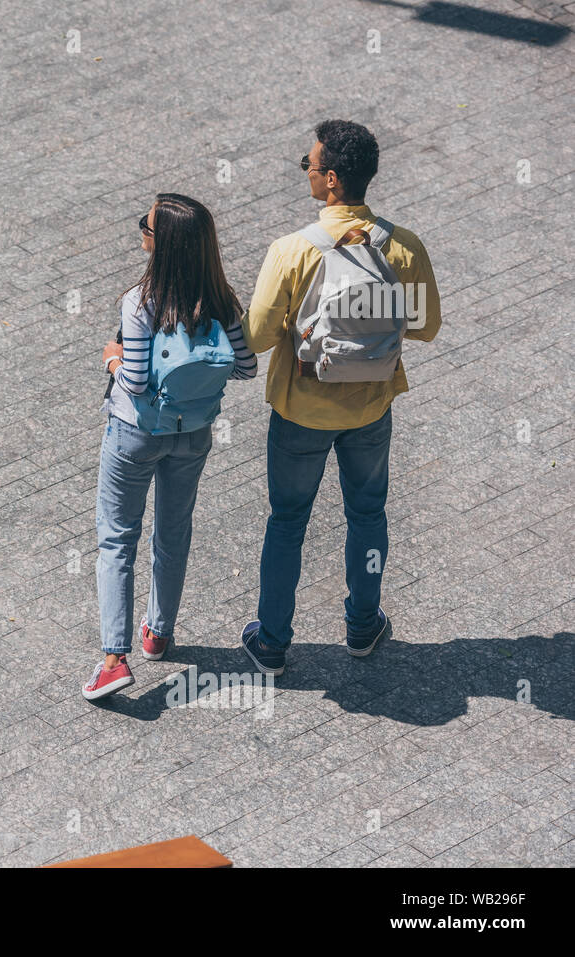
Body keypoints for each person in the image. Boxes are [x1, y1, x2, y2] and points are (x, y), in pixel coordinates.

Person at [240, 120, 441, 676]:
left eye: (307, 164)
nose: (304, 170)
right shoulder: (402, 247)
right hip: (372, 408)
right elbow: (425, 328)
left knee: (287, 521)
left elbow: (255, 338)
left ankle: (273, 641)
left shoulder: (291, 251)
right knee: (368, 513)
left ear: (330, 180)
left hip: (301, 410)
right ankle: (362, 624)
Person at [84, 193, 257, 700]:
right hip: (194, 434)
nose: (141, 229)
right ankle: (158, 634)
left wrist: (111, 359)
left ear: (163, 245)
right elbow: (246, 368)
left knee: (117, 539)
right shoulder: (222, 300)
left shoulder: (139, 302)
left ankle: (114, 659)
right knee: (173, 532)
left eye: (147, 225)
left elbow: (136, 382)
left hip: (135, 434)